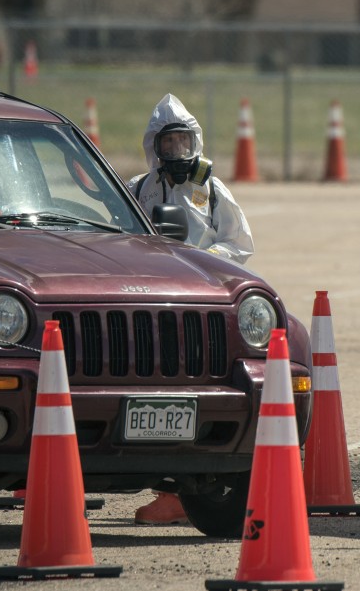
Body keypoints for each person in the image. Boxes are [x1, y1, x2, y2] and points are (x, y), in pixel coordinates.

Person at [128, 93, 255, 525]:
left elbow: (240, 244)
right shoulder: (138, 189)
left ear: (194, 142)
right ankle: (168, 491)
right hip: (154, 303)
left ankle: (186, 492)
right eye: (169, 143)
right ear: (155, 147)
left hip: (204, 303)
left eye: (183, 142)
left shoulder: (212, 189)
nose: (177, 151)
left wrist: (202, 258)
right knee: (153, 390)